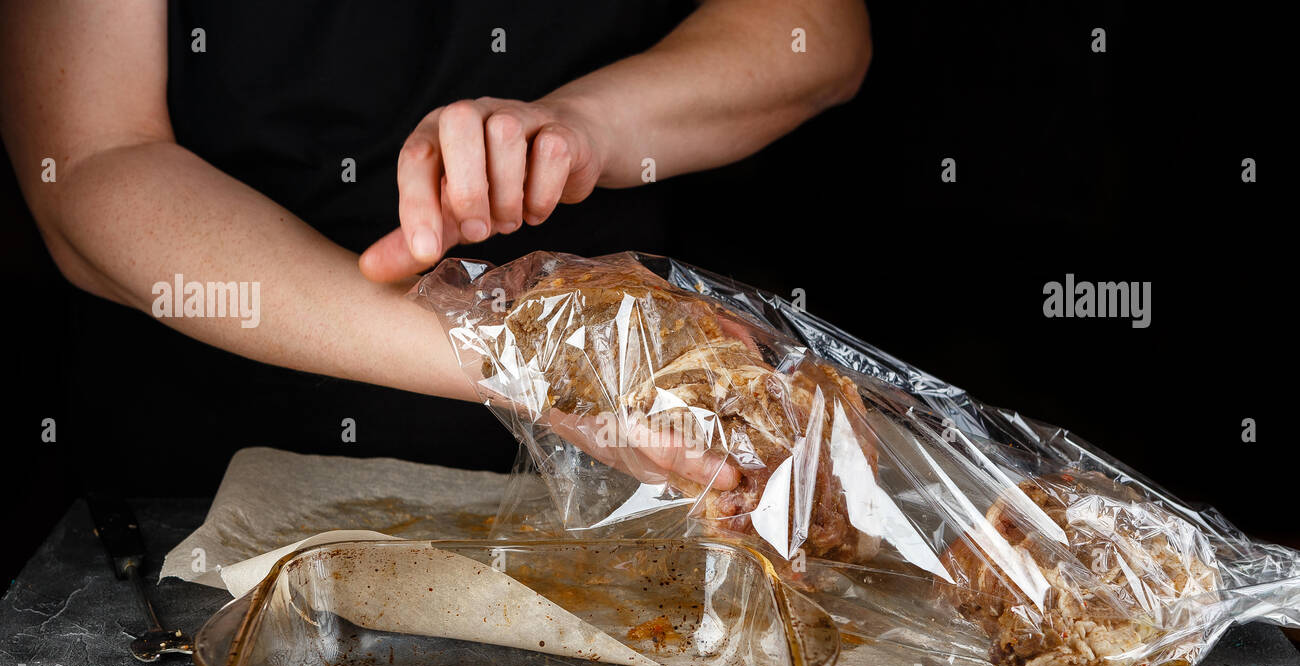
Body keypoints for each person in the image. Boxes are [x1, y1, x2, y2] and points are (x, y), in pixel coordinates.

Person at [1, 0, 871, 489]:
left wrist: (583, 128)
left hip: (645, 476)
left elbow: (816, 31)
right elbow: (90, 159)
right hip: (205, 483)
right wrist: (529, 360)